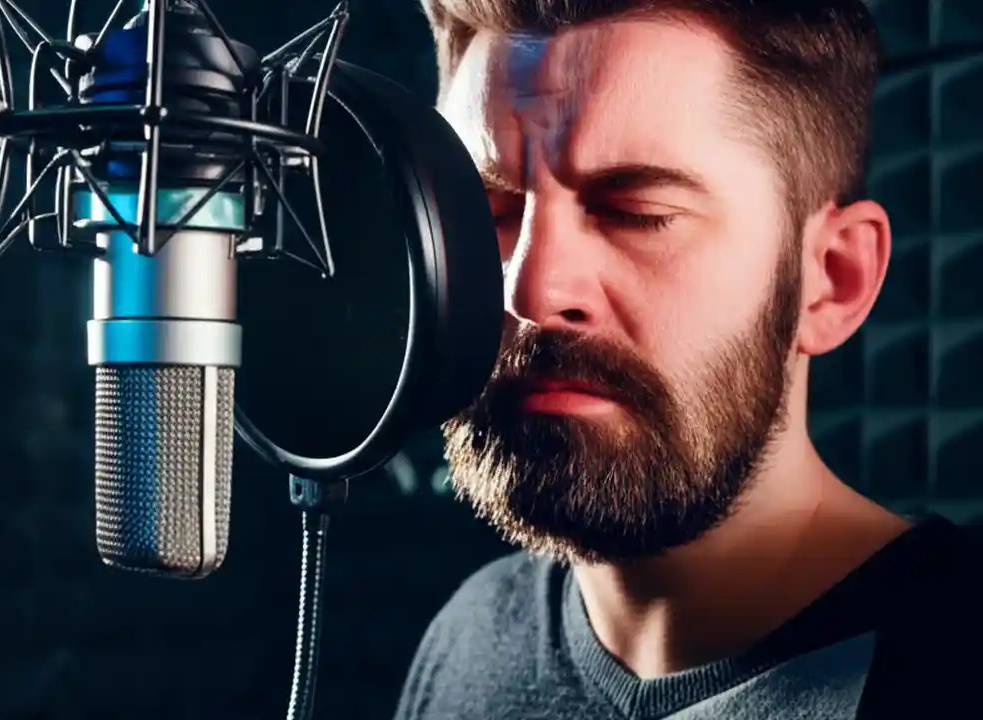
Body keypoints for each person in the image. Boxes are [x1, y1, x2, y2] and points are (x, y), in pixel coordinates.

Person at [394, 1, 982, 718]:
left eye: (637, 214)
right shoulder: (468, 639)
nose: (532, 290)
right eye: (490, 212)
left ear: (833, 279)